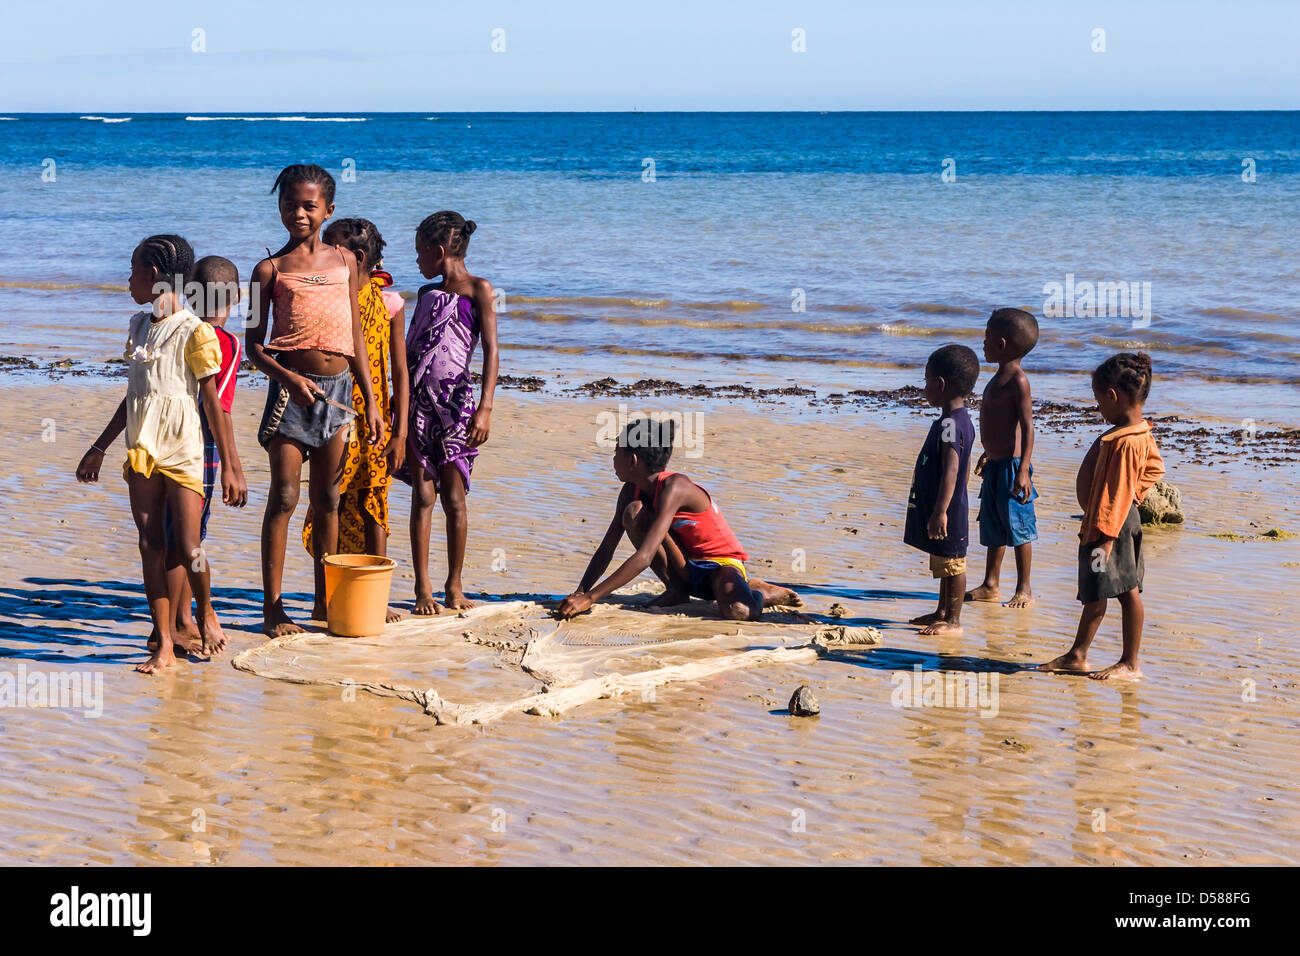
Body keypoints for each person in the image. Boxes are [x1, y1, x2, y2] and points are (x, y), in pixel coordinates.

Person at [76, 236, 247, 672]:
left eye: (132, 269)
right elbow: (134, 395)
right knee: (150, 544)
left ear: (152, 276)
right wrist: (99, 447)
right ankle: (165, 645)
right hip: (142, 451)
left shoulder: (195, 330)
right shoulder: (138, 326)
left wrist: (230, 466)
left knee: (189, 545)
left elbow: (212, 403)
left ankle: (206, 612)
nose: (127, 278)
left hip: (185, 449)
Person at [246, 164, 385, 636]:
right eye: (290, 204)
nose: (298, 213)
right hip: (290, 396)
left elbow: (356, 340)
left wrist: (373, 404)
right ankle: (274, 609)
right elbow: (253, 348)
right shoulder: (269, 270)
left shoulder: (346, 262)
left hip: (341, 395)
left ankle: (325, 605)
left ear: (329, 209)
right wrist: (287, 377)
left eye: (309, 205)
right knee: (284, 497)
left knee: (328, 499)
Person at [557, 417, 800, 621]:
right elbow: (607, 547)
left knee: (740, 612)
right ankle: (677, 590)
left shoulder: (676, 487)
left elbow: (645, 556)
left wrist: (591, 598)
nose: (612, 459)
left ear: (632, 460)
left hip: (720, 565)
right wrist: (580, 591)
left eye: (616, 451)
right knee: (633, 512)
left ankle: (758, 591)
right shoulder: (631, 490)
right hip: (683, 566)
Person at [301, 218, 409, 623]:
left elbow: (401, 373)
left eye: (332, 248)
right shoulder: (329, 296)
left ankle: (374, 598)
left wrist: (400, 432)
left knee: (373, 503)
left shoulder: (389, 303)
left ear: (357, 257)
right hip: (333, 413)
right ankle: (322, 598)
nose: (323, 254)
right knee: (326, 501)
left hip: (376, 421)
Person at [1039, 353, 1165, 681]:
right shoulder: (1139, 432)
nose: (1099, 410)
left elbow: (1118, 492)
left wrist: (1106, 536)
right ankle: (1078, 655)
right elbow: (1155, 467)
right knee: (1101, 591)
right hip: (1117, 523)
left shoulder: (1124, 443)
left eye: (1099, 403)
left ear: (1113, 395)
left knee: (1123, 592)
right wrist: (1137, 494)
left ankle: (1128, 663)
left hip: (1110, 529)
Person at [396, 211, 498, 614]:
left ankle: (454, 585)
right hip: (419, 407)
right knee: (422, 495)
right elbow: (407, 354)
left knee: (454, 497)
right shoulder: (425, 295)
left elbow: (491, 350)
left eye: (421, 253)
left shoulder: (479, 289)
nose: (418, 261)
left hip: (457, 407)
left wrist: (485, 408)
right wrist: (396, 407)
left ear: (438, 251)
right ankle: (423, 590)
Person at [904, 344, 979, 636]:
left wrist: (941, 510)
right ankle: (942, 611)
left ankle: (954, 620)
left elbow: (952, 468)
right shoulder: (959, 420)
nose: (924, 388)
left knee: (954, 563)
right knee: (944, 562)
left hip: (948, 509)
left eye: (926, 381)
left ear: (940, 384)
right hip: (949, 504)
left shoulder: (951, 424)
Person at [966, 308, 1039, 608]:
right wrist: (988, 452)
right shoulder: (997, 378)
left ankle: (1024, 588)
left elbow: (1027, 426)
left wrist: (1023, 468)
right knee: (993, 523)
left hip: (1012, 467)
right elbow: (1000, 424)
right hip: (996, 464)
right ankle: (990, 584)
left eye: (987, 337)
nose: (983, 342)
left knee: (1019, 525)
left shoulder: (1017, 381)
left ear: (1003, 344)